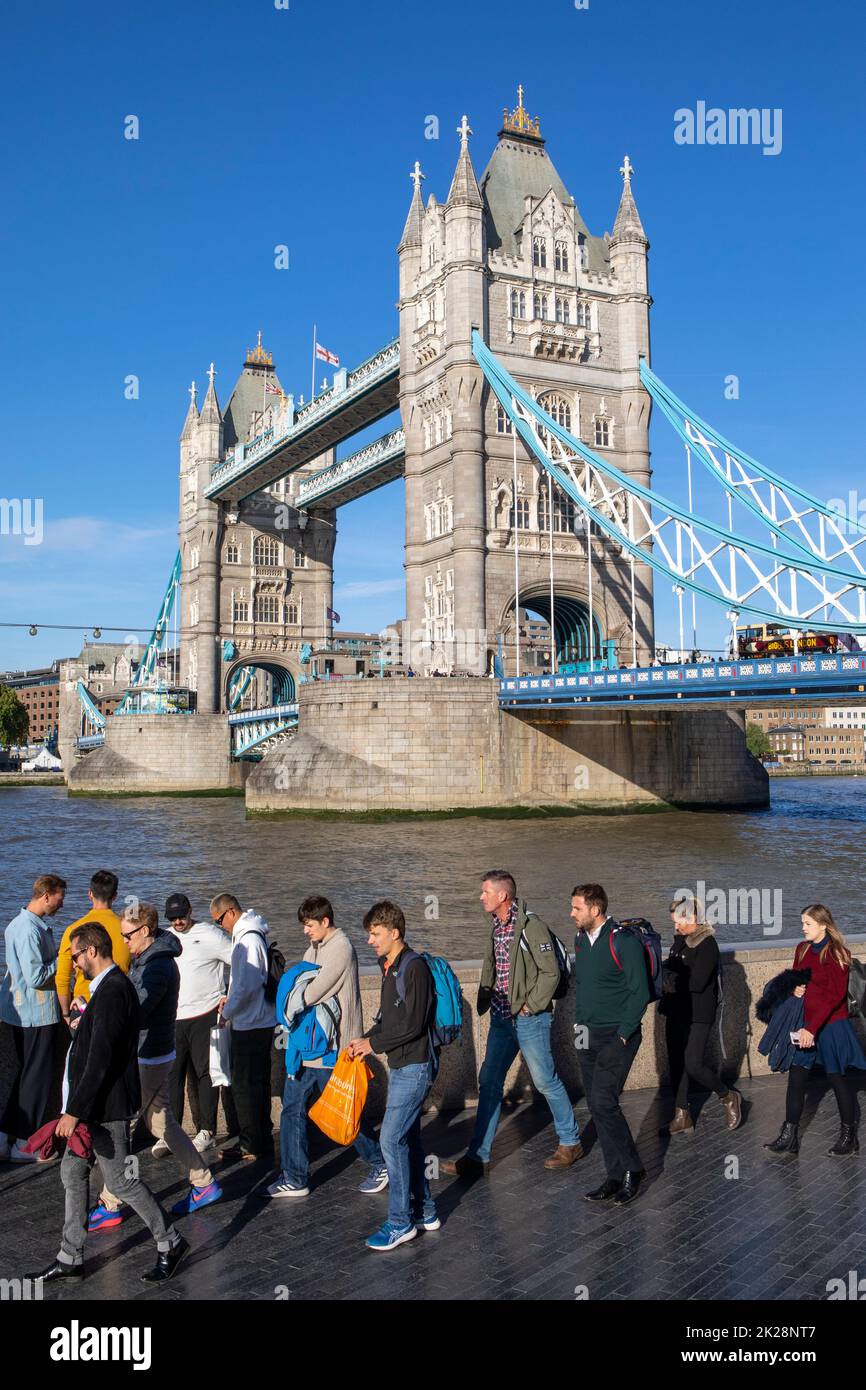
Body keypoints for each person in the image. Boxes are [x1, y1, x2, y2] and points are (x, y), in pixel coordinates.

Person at [27, 922, 188, 1284]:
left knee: (121, 1181)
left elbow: (101, 1057)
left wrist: (74, 1112)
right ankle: (70, 1256)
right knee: (72, 1172)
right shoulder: (108, 988)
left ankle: (171, 1241)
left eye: (76, 956)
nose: (74, 963)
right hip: (94, 1106)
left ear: (92, 951)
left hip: (104, 1108)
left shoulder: (114, 991)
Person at [88, 903, 222, 1233]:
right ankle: (203, 1181)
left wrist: (103, 1019)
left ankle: (110, 1202)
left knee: (122, 1123)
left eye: (128, 935)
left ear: (145, 931)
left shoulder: (157, 966)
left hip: (150, 1055)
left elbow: (138, 1010)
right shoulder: (150, 957)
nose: (124, 942)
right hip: (155, 1052)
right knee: (161, 1122)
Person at [441, 870, 581, 1179]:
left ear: (503, 895)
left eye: (486, 892)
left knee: (545, 1081)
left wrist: (530, 1005)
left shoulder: (531, 927)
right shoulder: (496, 926)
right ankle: (477, 1157)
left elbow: (550, 973)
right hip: (501, 1019)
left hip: (529, 1020)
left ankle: (571, 1141)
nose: (481, 897)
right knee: (489, 1082)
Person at [266, 895, 385, 1199]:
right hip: (308, 1046)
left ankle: (380, 1162)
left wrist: (291, 995)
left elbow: (313, 992)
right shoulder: (315, 947)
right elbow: (302, 985)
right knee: (292, 1109)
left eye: (309, 925)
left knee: (341, 1112)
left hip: (335, 1048)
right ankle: (295, 1177)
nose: (305, 931)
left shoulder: (341, 948)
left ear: (325, 921)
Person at [348, 901, 438, 1251]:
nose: (370, 940)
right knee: (407, 1139)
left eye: (375, 934)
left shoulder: (414, 969)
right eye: (369, 934)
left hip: (415, 1067)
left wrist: (373, 1044)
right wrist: (365, 1039)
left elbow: (414, 1025)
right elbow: (389, 1020)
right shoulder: (389, 967)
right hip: (401, 1065)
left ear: (395, 932)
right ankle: (425, 1212)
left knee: (389, 1139)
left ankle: (400, 1223)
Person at [764, 904, 866, 1157]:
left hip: (830, 1026)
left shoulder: (837, 953)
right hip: (806, 1024)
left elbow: (834, 997)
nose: (803, 928)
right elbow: (794, 978)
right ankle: (789, 1137)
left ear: (823, 925)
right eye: (802, 923)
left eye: (807, 923)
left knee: (837, 1079)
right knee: (796, 1078)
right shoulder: (803, 949)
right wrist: (794, 988)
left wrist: (811, 1029)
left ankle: (849, 1137)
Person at [571, 883, 650, 1206]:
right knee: (596, 1105)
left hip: (617, 1035)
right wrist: (578, 1026)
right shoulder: (580, 940)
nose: (571, 913)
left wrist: (623, 1034)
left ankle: (633, 1169)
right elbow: (583, 986)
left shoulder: (623, 941)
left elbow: (640, 991)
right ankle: (614, 1175)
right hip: (586, 1034)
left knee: (604, 1102)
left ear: (595, 909)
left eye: (577, 908)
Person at [156, 892, 233, 1158]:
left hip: (206, 1014)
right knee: (172, 1075)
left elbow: (240, 961)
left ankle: (207, 1131)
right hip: (174, 1017)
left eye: (181, 916)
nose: (177, 922)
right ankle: (171, 1132)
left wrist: (229, 995)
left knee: (205, 1073)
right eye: (172, 918)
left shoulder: (211, 934)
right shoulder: (164, 938)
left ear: (190, 911)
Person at [660, 892, 742, 1135]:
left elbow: (696, 982)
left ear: (693, 918)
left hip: (698, 1014)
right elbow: (669, 968)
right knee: (676, 1062)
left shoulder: (707, 944)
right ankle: (682, 1115)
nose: (675, 927)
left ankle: (727, 1096)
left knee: (693, 1063)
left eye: (678, 922)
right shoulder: (680, 940)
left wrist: (669, 980)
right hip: (676, 1010)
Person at [0, 874, 67, 1163]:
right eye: (60, 898)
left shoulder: (17, 924)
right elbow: (36, 977)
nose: (62, 905)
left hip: (16, 1010)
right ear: (47, 895)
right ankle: (25, 1143)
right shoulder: (30, 930)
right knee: (36, 1078)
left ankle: (5, 1138)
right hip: (36, 1013)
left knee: (18, 1075)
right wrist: (63, 959)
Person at [211, 894, 276, 1162]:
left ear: (230, 912)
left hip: (250, 1023)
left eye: (219, 921)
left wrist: (227, 1012)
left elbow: (247, 987)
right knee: (257, 1083)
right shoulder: (253, 934)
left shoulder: (246, 940)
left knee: (244, 1086)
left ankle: (250, 1144)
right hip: (260, 1019)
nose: (220, 926)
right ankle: (261, 1138)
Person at [55, 870, 130, 1026]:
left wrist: (66, 1014)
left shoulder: (74, 930)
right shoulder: (127, 930)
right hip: (117, 1003)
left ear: (90, 894)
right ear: (115, 896)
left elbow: (62, 978)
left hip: (83, 1003)